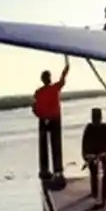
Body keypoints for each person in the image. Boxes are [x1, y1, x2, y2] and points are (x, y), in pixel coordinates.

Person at [33, 56, 70, 186]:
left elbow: (34, 107)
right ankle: (57, 171)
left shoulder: (39, 92)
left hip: (44, 119)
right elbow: (63, 79)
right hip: (54, 118)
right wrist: (66, 66)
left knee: (44, 145)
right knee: (56, 144)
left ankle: (45, 171)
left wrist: (42, 116)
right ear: (48, 78)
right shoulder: (53, 88)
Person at [81, 108, 106, 209]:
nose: (96, 120)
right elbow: (85, 144)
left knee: (105, 175)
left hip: (103, 153)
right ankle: (95, 193)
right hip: (92, 154)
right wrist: (87, 156)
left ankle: (104, 197)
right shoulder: (89, 128)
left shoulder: (105, 128)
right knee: (94, 172)